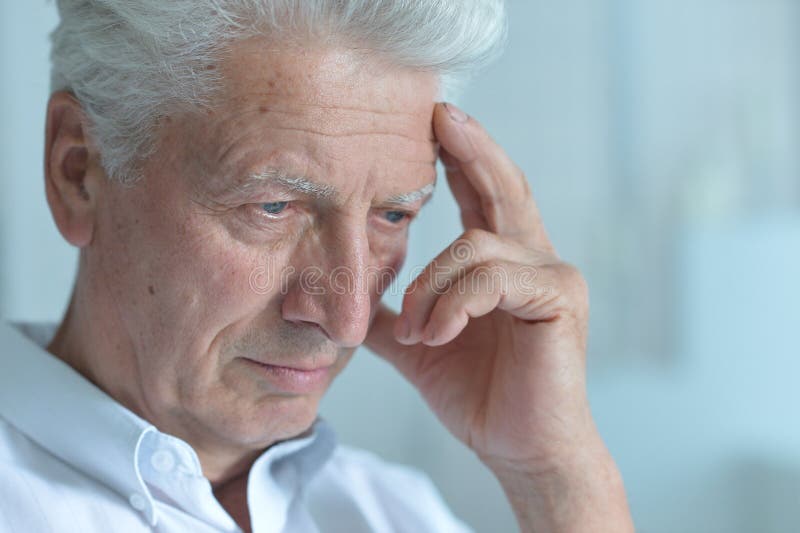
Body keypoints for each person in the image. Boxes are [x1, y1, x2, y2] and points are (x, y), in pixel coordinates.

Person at [0, 1, 634, 532]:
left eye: (392, 215)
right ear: (78, 171)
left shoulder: (395, 513)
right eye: (273, 206)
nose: (349, 318)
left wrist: (557, 479)